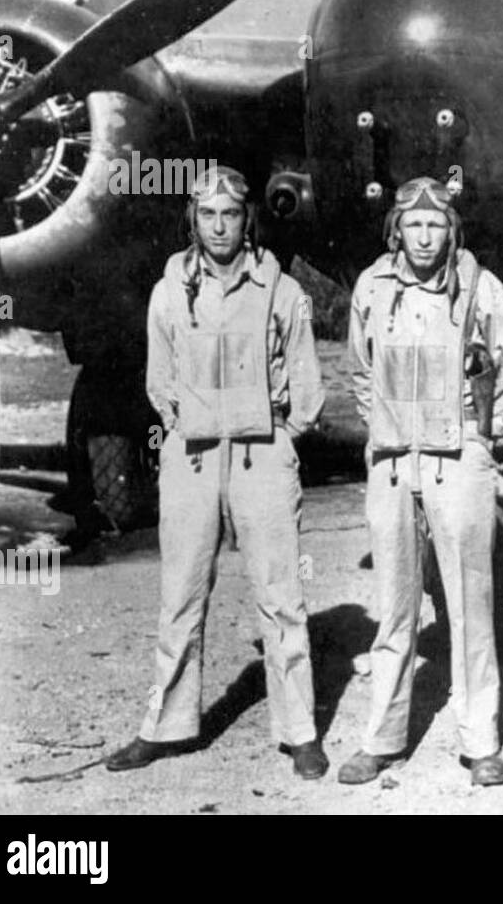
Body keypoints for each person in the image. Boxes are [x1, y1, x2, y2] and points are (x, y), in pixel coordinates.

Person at [107, 166, 328, 779]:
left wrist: (285, 435)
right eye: (208, 215)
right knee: (180, 594)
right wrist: (186, 425)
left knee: (280, 596)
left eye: (231, 214)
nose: (220, 226)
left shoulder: (281, 291)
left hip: (263, 453)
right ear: (193, 221)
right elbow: (159, 379)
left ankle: (300, 732)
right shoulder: (169, 291)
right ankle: (169, 726)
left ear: (246, 219)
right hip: (193, 457)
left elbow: (309, 384)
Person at [339, 177, 503, 789]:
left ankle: (481, 741)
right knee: (394, 608)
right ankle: (382, 739)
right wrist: (389, 431)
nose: (425, 237)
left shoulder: (481, 288)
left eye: (436, 225)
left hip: (459, 464)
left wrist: (481, 439)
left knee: (471, 606)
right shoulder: (372, 288)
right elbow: (360, 371)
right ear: (396, 230)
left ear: (452, 230)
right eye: (414, 226)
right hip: (395, 464)